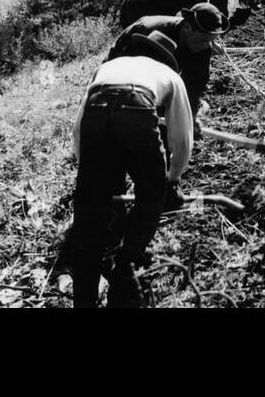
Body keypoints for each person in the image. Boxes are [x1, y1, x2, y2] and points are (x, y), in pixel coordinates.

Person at [70, 29, 192, 309]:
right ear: (166, 59)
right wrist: (171, 179)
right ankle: (125, 281)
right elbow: (181, 139)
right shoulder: (170, 76)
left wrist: (87, 174)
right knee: (150, 197)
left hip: (97, 109)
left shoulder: (107, 67)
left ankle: (83, 301)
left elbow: (79, 126)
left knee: (89, 217)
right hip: (138, 104)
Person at [111, 3, 227, 116]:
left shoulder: (204, 45)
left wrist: (191, 116)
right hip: (124, 65)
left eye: (210, 41)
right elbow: (129, 75)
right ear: (187, 27)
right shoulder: (152, 35)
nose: (205, 46)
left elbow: (195, 86)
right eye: (202, 40)